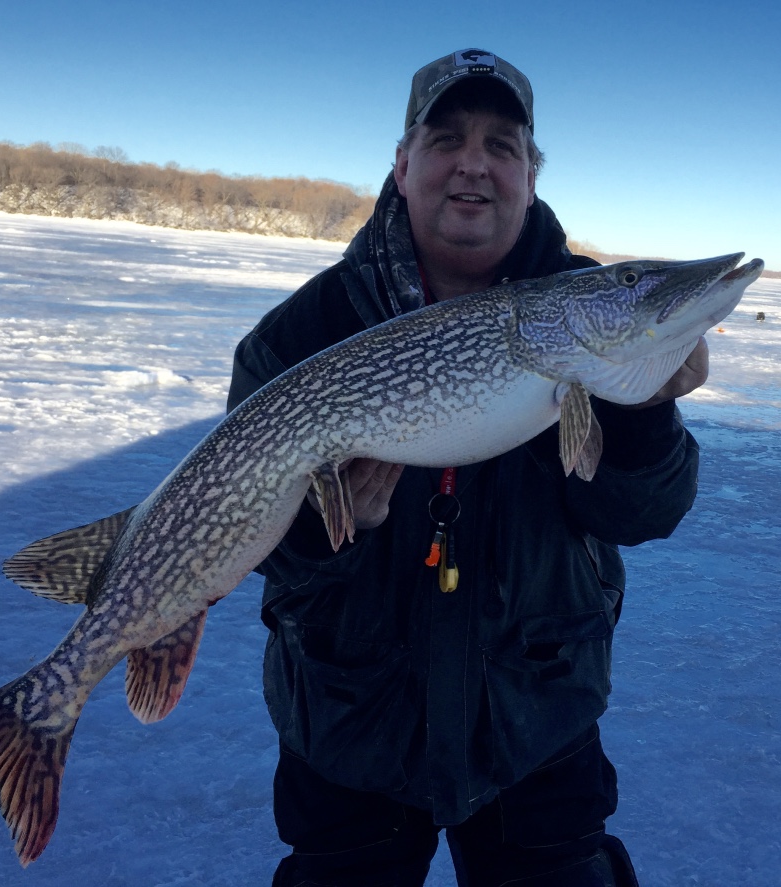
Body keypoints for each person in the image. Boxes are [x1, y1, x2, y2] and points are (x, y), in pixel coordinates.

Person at [227, 49, 705, 887]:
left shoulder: (581, 307)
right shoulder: (298, 335)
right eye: (446, 138)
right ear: (403, 165)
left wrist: (644, 408)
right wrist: (320, 524)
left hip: (537, 714)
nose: (473, 164)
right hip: (349, 718)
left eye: (503, 145)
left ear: (530, 174)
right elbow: (245, 538)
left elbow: (642, 513)